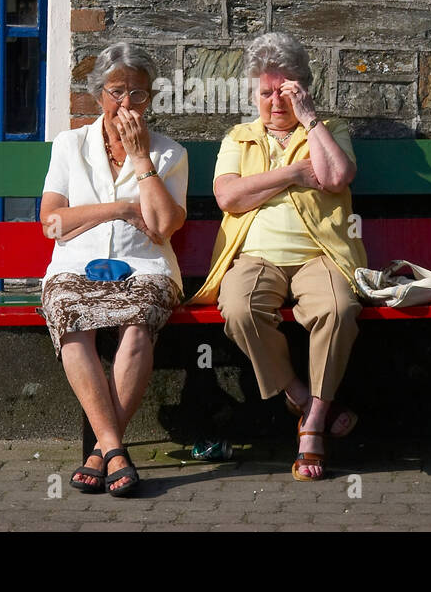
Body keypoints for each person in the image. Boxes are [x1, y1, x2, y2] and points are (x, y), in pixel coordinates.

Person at [190, 32, 367, 481]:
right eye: (265, 92)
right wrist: (291, 173)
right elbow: (228, 196)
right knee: (238, 307)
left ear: (303, 89)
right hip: (254, 256)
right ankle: (304, 399)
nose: (274, 101)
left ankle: (311, 427)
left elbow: (337, 176)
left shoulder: (329, 130)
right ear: (254, 94)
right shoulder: (240, 138)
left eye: (285, 91)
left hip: (320, 253)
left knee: (339, 307)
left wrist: (310, 120)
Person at [39, 43, 188, 497]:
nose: (127, 105)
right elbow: (52, 223)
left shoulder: (169, 155)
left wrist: (142, 160)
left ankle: (100, 452)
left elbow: (162, 227)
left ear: (151, 99)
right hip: (75, 265)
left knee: (139, 321)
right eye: (117, 92)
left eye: (138, 95)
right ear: (98, 95)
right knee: (68, 313)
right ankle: (115, 449)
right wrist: (121, 209)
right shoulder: (71, 145)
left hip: (144, 267)